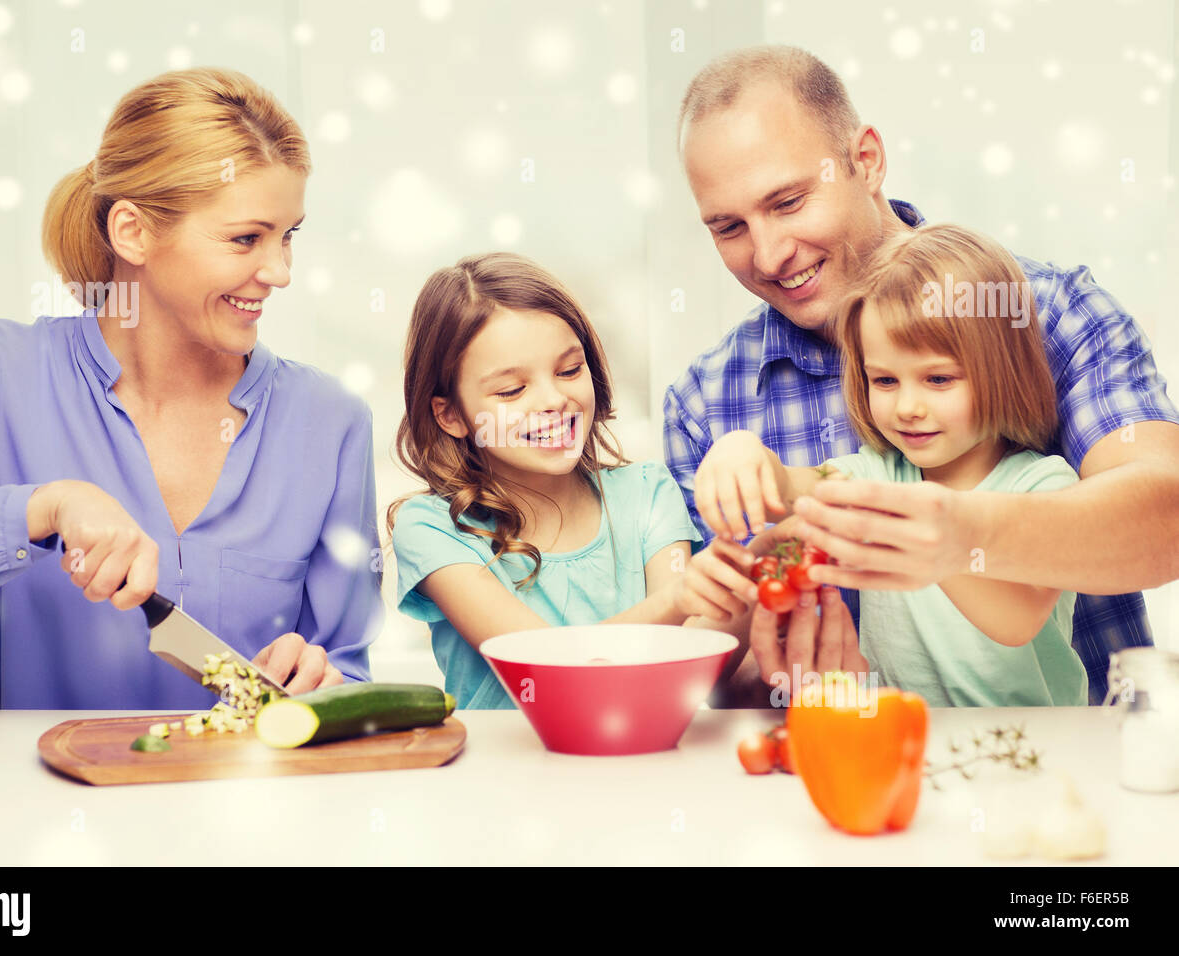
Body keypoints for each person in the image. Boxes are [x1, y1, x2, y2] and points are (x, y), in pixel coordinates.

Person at [665, 46, 1179, 704]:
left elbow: (1165, 520)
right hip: (861, 760)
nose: (768, 255)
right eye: (729, 227)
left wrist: (961, 535)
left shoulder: (1047, 312)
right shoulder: (705, 402)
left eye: (788, 202)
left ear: (867, 160)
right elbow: (710, 673)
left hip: (1076, 765)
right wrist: (773, 667)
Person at [0, 68, 383, 709]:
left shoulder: (330, 423)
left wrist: (323, 680)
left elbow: (349, 672)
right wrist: (41, 509)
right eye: (245, 239)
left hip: (251, 803)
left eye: (289, 237)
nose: (279, 272)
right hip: (28, 807)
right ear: (133, 232)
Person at [692, 223, 1088, 706]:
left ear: (1004, 370)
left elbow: (1017, 619)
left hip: (1021, 748)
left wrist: (928, 532)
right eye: (884, 381)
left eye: (938, 379)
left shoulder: (1044, 484)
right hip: (902, 740)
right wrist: (740, 450)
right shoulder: (877, 474)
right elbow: (786, 489)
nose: (907, 407)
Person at [387, 253, 750, 709]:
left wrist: (754, 581)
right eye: (512, 390)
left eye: (569, 371)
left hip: (642, 763)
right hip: (501, 777)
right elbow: (546, 667)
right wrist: (679, 599)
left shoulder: (649, 494)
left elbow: (678, 672)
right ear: (451, 414)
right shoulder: (432, 528)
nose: (555, 400)